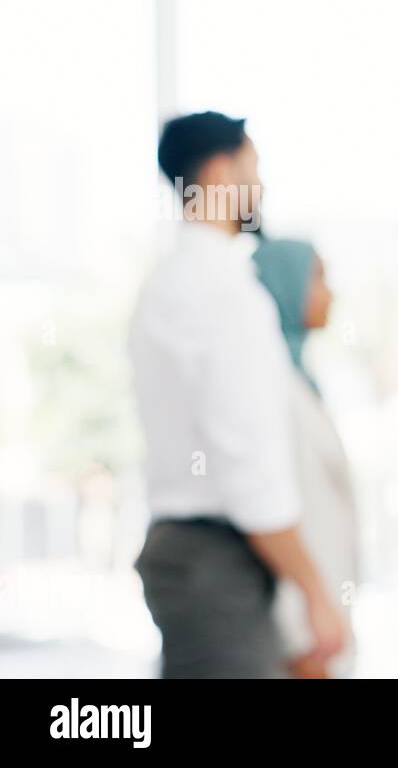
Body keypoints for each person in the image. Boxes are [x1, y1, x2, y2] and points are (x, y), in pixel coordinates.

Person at [129, 112, 346, 678]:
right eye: (255, 167)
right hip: (216, 559)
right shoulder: (221, 292)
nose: (261, 186)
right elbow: (246, 463)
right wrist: (315, 591)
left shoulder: (173, 280)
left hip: (197, 556)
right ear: (222, 170)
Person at [252, 237, 360, 679]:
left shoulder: (301, 379)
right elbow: (272, 511)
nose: (330, 293)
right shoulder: (269, 390)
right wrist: (298, 637)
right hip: (303, 639)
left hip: (322, 624)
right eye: (318, 278)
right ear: (285, 286)